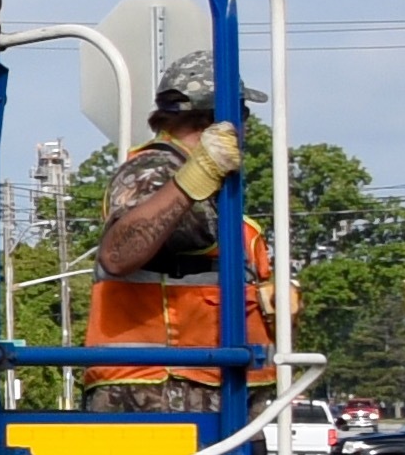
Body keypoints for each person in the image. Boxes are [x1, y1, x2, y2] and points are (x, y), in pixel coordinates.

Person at [85, 51, 275, 414]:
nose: (248, 126)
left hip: (220, 392)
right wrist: (193, 179)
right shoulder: (153, 170)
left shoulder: (221, 192)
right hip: (157, 393)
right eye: (243, 114)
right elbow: (118, 254)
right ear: (209, 120)